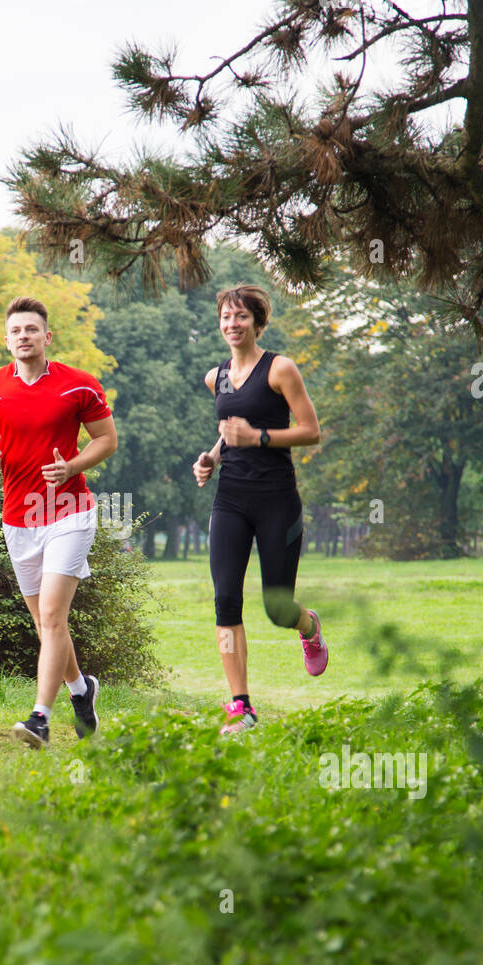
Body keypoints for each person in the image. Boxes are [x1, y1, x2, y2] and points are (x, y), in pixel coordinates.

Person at [0, 295, 117, 748]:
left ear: (47, 337)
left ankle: (40, 719)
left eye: (31, 330)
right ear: (7, 341)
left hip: (70, 513)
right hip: (18, 520)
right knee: (46, 625)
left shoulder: (79, 385)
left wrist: (72, 467)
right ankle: (82, 691)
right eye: (15, 331)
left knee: (51, 615)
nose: (23, 337)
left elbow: (106, 440)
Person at [193, 284, 328, 735]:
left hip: (276, 501)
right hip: (230, 499)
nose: (233, 325)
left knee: (276, 608)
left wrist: (260, 438)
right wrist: (211, 457)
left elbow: (311, 431)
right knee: (225, 599)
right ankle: (241, 707)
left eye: (241, 317)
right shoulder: (217, 377)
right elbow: (227, 429)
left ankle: (308, 627)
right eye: (226, 318)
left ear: (258, 321)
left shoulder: (280, 369)